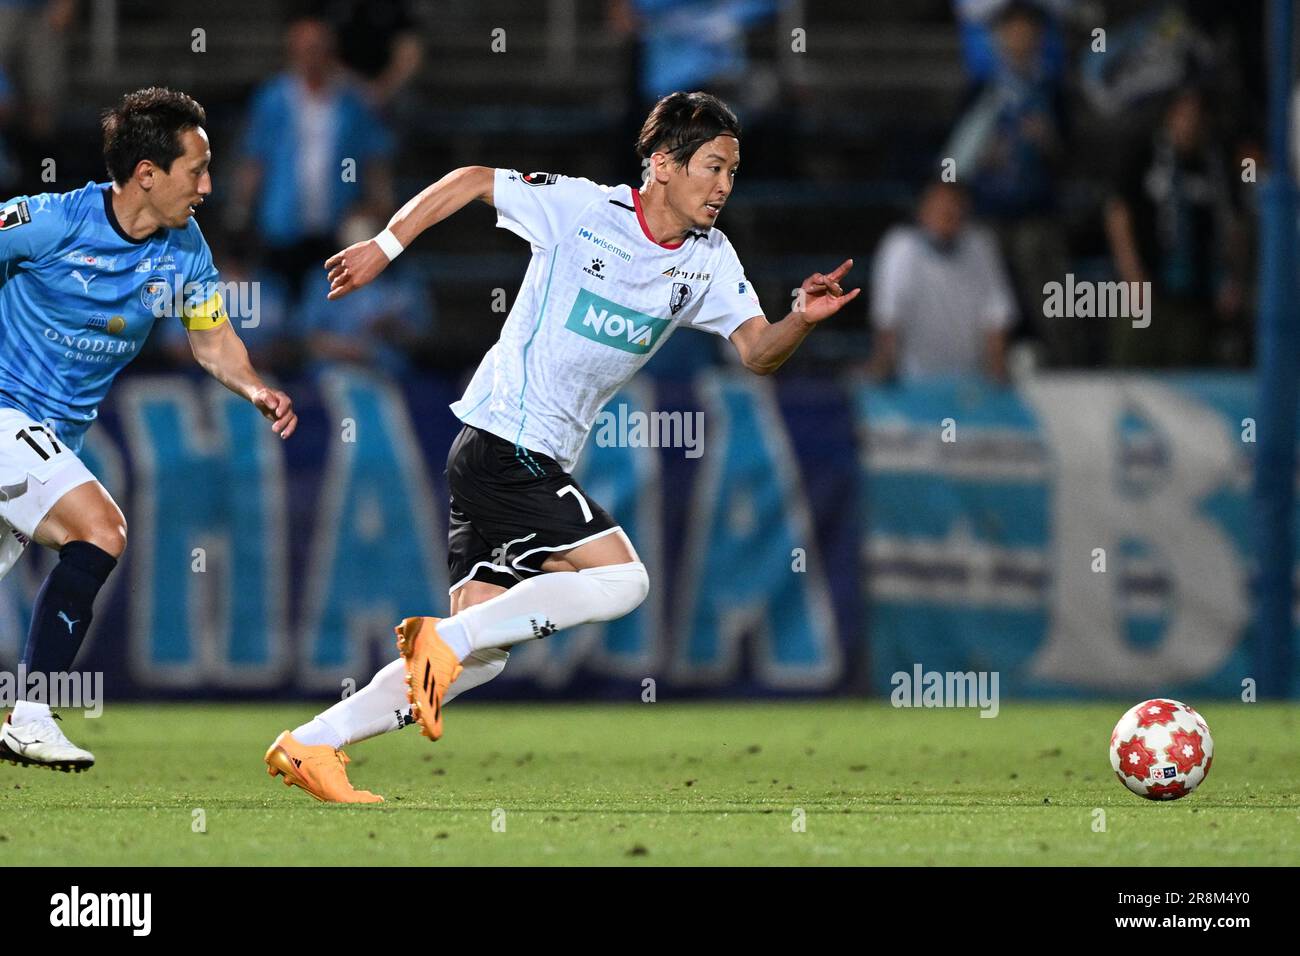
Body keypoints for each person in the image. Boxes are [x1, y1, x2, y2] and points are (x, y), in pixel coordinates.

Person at [263, 91, 860, 803]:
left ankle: (312, 744)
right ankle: (435, 645)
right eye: (713, 166)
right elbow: (472, 180)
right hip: (504, 442)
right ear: (662, 165)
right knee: (622, 582)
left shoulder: (708, 259)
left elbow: (758, 353)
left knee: (479, 654)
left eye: (733, 171)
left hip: (514, 457)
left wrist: (799, 317)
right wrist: (385, 246)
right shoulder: (583, 209)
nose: (725, 185)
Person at [0, 88, 297, 772]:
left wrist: (256, 387)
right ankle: (32, 712)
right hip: (7, 415)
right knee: (100, 530)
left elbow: (212, 340)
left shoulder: (184, 249)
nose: (208, 185)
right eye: (196, 169)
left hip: (49, 441)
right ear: (147, 174)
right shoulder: (54, 221)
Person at [867, 181, 1014, 382]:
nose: (949, 214)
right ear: (923, 210)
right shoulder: (900, 247)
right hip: (915, 378)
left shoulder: (981, 246)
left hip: (973, 380)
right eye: (942, 209)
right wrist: (884, 368)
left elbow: (996, 314)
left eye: (955, 208)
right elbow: (888, 317)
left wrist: (996, 371)